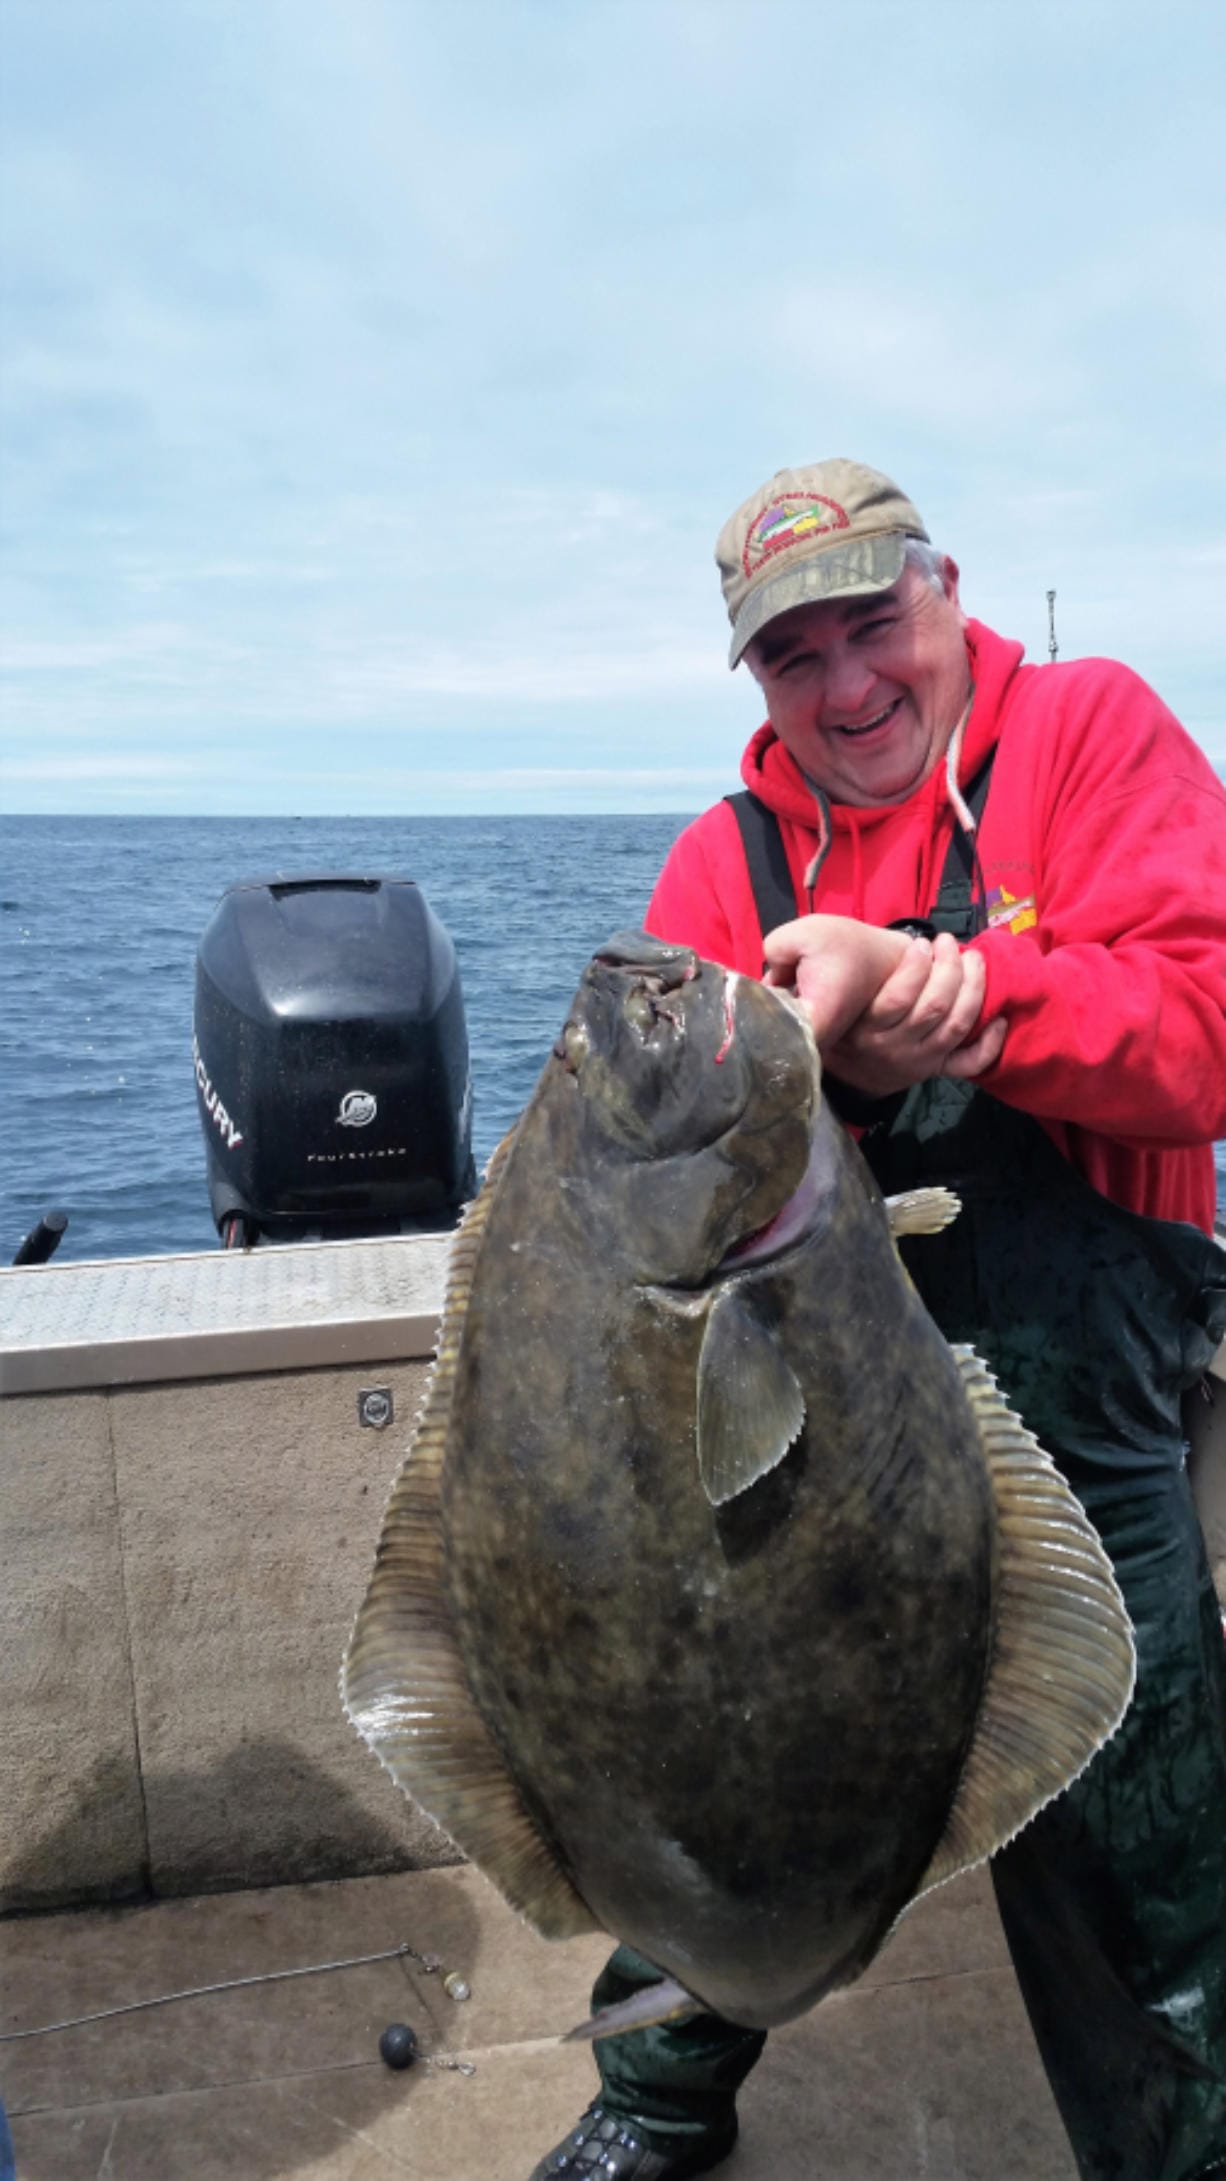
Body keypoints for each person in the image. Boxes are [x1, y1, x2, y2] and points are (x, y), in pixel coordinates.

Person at [529, 459, 1226, 2181]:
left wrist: (957, 995)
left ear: (946, 589)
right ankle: (656, 2093)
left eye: (871, 624)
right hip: (813, 1427)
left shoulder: (1085, 734)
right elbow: (636, 1176)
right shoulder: (727, 860)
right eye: (793, 657)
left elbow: (1203, 1035)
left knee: (1138, 1815)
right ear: (754, 680)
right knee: (733, 1752)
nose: (845, 687)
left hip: (1086, 1415)